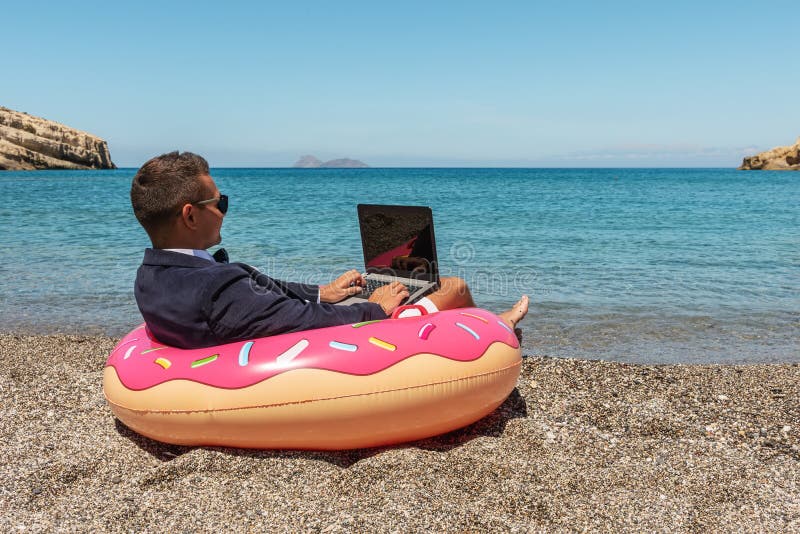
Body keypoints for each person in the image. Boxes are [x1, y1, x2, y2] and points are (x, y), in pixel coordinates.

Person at [130, 151, 528, 348]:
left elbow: (261, 292)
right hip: (339, 345)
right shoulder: (217, 289)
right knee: (454, 287)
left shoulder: (151, 278)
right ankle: (497, 334)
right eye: (219, 203)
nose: (223, 211)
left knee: (386, 285)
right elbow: (300, 321)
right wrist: (377, 308)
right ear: (190, 216)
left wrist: (325, 292)